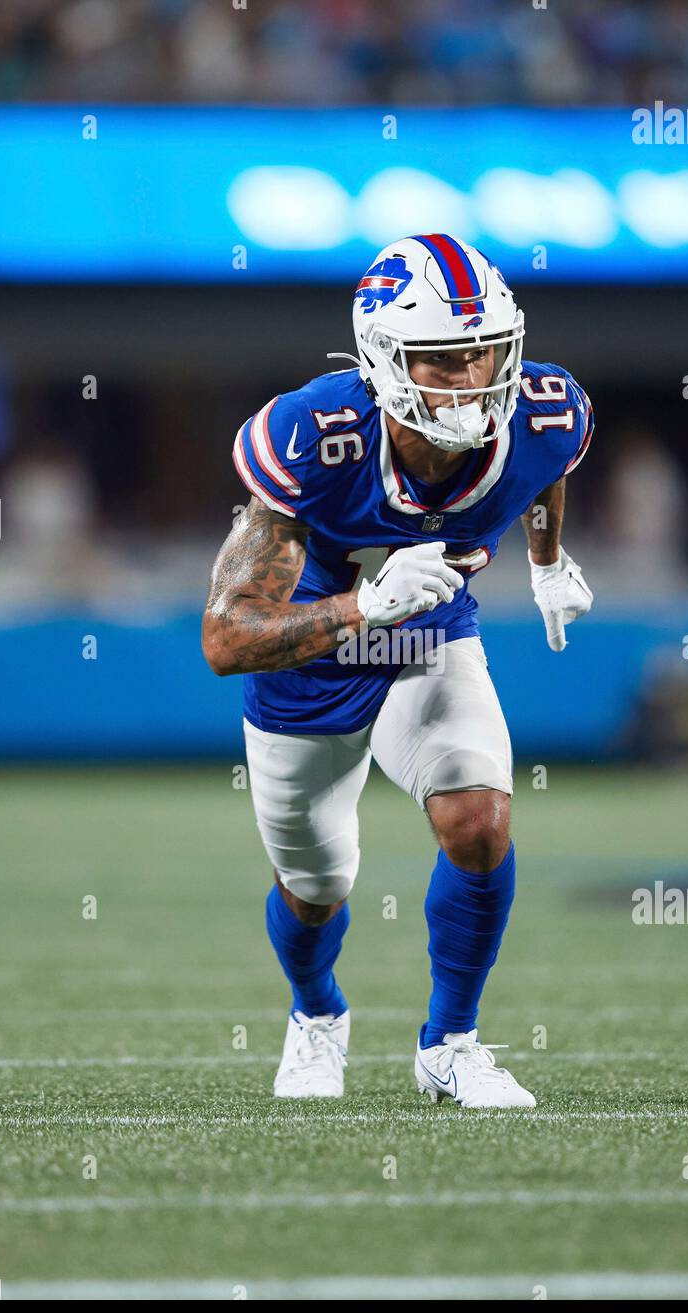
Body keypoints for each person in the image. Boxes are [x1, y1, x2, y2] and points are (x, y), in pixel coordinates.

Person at [202, 233, 594, 1108]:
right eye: (441, 361)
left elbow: (544, 470)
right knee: (317, 884)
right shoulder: (314, 435)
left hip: (429, 633)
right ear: (383, 361)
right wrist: (358, 610)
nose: (471, 378)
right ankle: (316, 1014)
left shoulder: (547, 411)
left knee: (478, 817)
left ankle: (449, 1043)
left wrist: (547, 561)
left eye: (482, 352)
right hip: (311, 653)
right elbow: (226, 639)